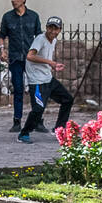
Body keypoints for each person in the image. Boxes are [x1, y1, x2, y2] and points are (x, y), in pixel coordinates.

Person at [17, 15, 72, 143]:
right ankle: (24, 133)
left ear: (60, 30)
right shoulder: (40, 39)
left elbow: (43, 57)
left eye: (56, 29)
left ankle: (59, 128)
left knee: (67, 99)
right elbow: (30, 56)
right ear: (46, 28)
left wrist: (52, 66)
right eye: (50, 28)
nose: (53, 31)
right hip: (37, 81)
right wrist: (50, 62)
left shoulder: (54, 41)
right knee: (38, 109)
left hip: (48, 78)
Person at [0, 0, 43, 131]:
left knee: (35, 88)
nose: (13, 0)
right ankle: (17, 121)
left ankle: (38, 121)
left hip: (31, 58)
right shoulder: (7, 17)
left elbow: (39, 36)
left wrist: (40, 54)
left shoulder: (33, 16)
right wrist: (2, 50)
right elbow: (2, 35)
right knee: (17, 89)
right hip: (15, 58)